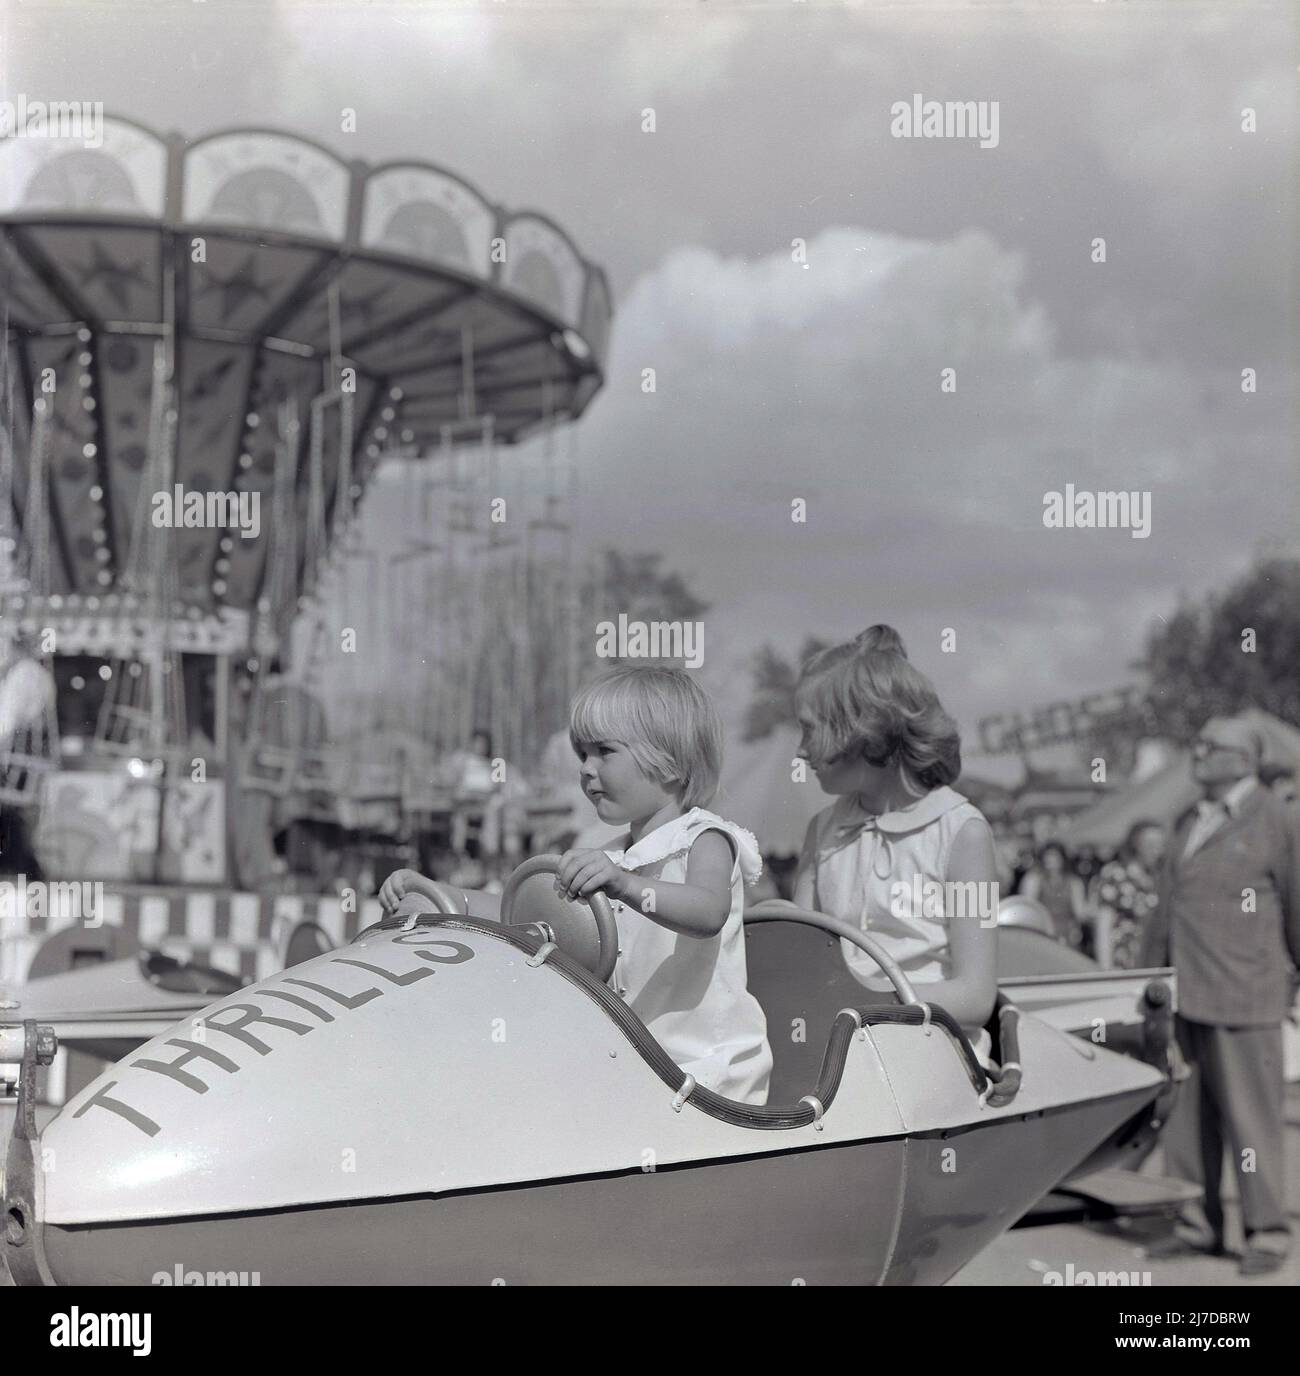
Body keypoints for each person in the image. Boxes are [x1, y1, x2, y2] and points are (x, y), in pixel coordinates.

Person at [382, 666, 773, 1106]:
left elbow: (707, 912)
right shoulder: (611, 854)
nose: (585, 770)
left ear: (671, 762)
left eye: (604, 752)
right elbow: (526, 911)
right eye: (582, 753)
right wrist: (443, 895)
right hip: (640, 1068)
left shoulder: (705, 839)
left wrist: (623, 884)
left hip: (708, 1074)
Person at [1141, 716, 1300, 1276]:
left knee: (1252, 1123)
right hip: (1183, 997)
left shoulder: (1278, 820)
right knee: (1185, 1124)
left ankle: (1267, 1232)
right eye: (1198, 740)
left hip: (1247, 997)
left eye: (1211, 745)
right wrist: (1145, 983)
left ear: (1245, 759)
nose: (1198, 752)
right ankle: (1196, 1224)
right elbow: (1165, 908)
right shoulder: (1189, 820)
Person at [788, 625, 999, 1043]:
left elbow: (976, 997)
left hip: (929, 1049)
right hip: (836, 1048)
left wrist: (858, 1001)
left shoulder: (963, 833)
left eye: (810, 729)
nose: (800, 749)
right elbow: (800, 956)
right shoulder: (823, 830)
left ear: (864, 732)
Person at [1089, 819, 1163, 969]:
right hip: (1121, 963)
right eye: (1149, 844)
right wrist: (1106, 971)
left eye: (1160, 845)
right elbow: (1103, 926)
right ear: (1135, 844)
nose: (1156, 850)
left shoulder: (1158, 878)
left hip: (1151, 961)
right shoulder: (1116, 875)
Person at [1018, 841, 1088, 949]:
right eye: (1048, 856)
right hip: (1042, 931)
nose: (1050, 860)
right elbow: (1028, 908)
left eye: (1054, 856)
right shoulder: (1034, 879)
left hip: (1066, 934)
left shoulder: (1073, 882)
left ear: (1062, 859)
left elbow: (1080, 912)